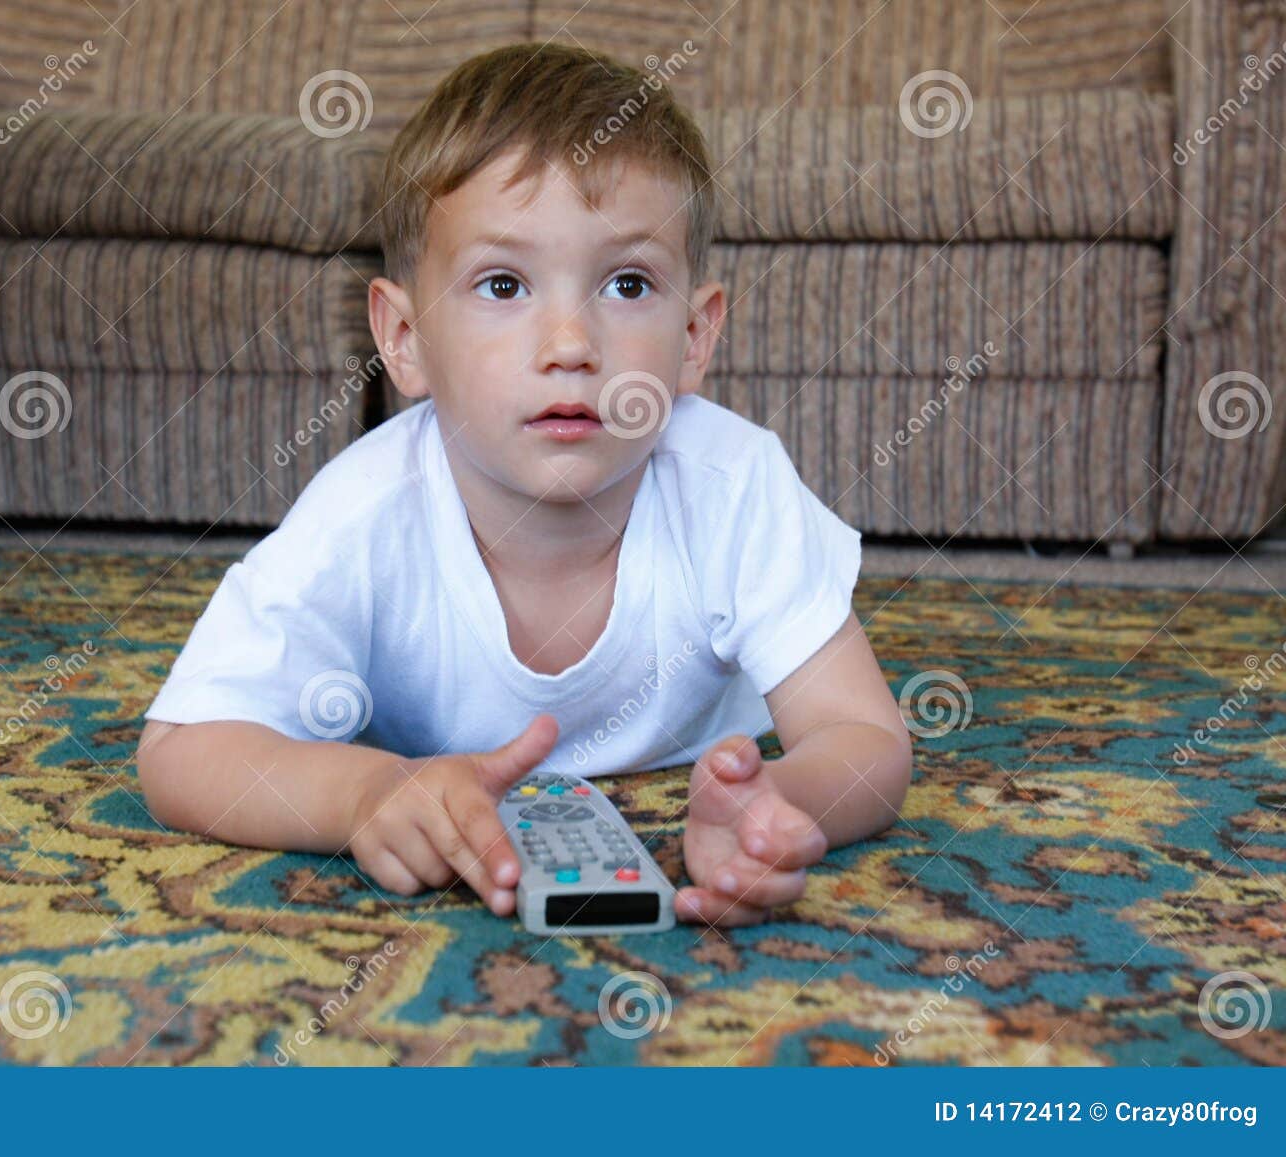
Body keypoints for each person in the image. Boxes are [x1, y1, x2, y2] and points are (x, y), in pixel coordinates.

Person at [137, 42, 912, 928]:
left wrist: (775, 805)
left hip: (704, 768)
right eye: (502, 284)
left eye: (627, 282)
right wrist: (362, 793)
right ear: (403, 338)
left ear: (695, 336)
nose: (570, 343)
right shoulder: (364, 514)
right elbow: (181, 749)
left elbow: (868, 741)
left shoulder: (732, 484)